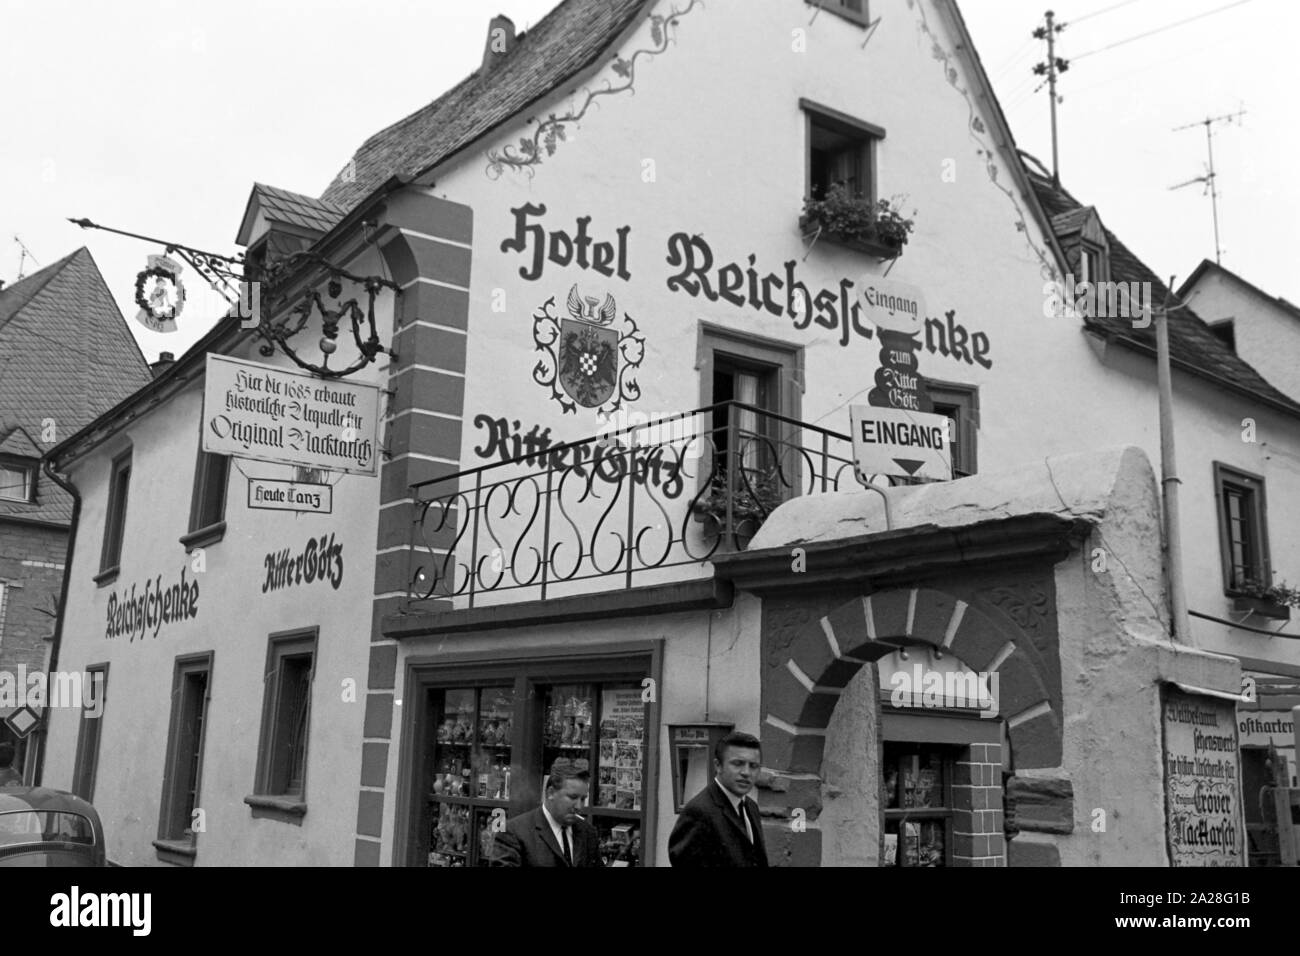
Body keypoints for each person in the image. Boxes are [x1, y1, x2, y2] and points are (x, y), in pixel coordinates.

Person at [668, 731, 768, 867]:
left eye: (753, 766)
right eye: (738, 764)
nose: (746, 772)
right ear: (718, 766)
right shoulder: (699, 812)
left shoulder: (751, 807)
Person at [490, 760, 602, 867]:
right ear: (551, 793)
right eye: (572, 797)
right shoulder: (514, 832)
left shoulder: (588, 833)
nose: (579, 806)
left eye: (583, 799)